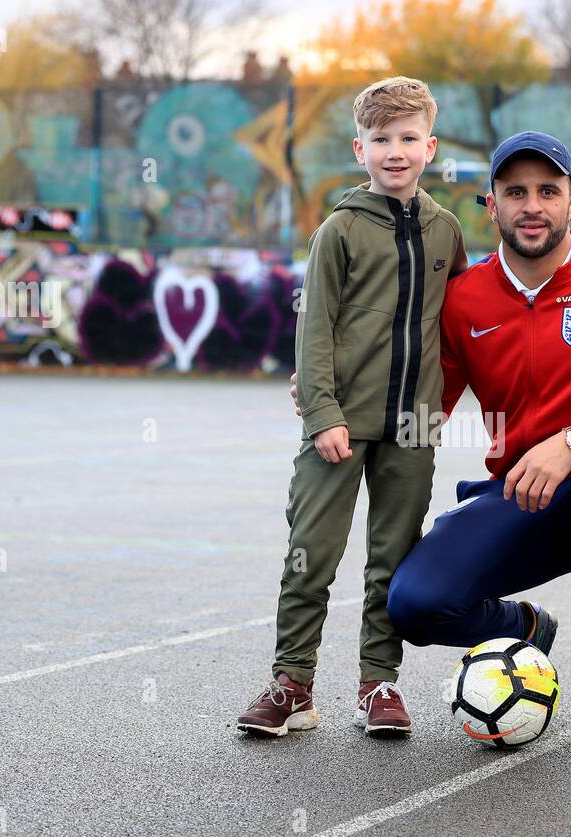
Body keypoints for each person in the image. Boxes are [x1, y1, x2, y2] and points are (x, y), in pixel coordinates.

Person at [291, 131, 571, 751]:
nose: (533, 206)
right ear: (492, 206)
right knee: (416, 605)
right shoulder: (465, 300)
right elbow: (429, 408)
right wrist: (336, 399)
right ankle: (526, 625)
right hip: (524, 497)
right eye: (515, 193)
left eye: (548, 192)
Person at [237, 76, 468, 738]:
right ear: (358, 148)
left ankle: (378, 685)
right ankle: (292, 686)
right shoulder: (338, 231)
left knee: (392, 561)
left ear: (429, 146)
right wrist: (321, 412)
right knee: (310, 552)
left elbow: (457, 329)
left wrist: (440, 408)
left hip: (412, 430)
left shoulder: (447, 232)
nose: (393, 151)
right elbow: (313, 333)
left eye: (406, 138)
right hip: (337, 424)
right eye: (379, 140)